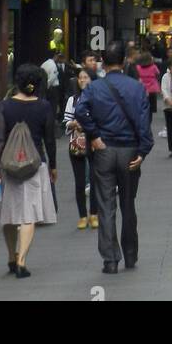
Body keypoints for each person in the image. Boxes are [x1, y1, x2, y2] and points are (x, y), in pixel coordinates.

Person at [75, 41, 153, 274]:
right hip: (129, 150)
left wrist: (94, 135)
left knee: (106, 204)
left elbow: (80, 110)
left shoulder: (94, 87)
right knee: (128, 204)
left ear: (102, 61)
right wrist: (143, 151)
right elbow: (143, 121)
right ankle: (130, 254)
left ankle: (110, 259)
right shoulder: (136, 87)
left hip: (104, 150)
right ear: (125, 61)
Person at [0, 64, 57, 279]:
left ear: (16, 81)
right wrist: (53, 165)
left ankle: (11, 255)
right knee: (29, 215)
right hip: (35, 165)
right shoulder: (44, 106)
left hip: (9, 166)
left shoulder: (5, 106)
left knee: (9, 214)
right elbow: (49, 140)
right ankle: (22, 260)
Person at [65, 59, 100, 231]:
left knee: (94, 179)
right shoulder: (73, 99)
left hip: (94, 142)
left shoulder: (98, 98)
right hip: (77, 143)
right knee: (79, 181)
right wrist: (74, 124)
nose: (83, 81)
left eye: (86, 77)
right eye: (80, 78)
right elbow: (66, 121)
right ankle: (82, 215)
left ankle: (94, 213)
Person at [161, 50, 172, 157]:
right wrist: (169, 100)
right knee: (170, 128)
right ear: (169, 67)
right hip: (168, 106)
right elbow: (164, 90)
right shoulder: (165, 76)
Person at [135, 52, 160, 120]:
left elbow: (136, 76)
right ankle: (149, 122)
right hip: (152, 89)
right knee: (150, 110)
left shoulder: (138, 67)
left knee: (142, 107)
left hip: (142, 89)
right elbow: (158, 74)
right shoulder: (153, 67)